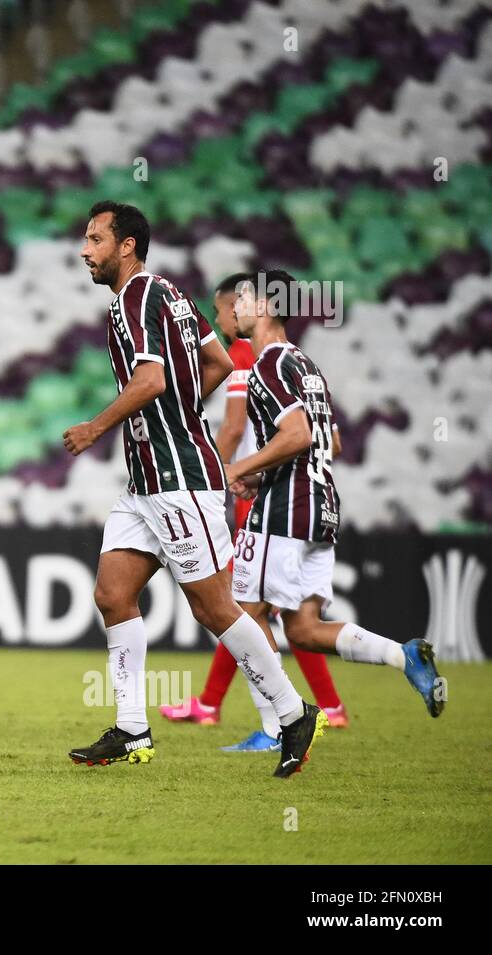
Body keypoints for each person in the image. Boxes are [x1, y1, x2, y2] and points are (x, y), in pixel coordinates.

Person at [63, 201, 324, 778]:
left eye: (95, 239)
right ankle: (132, 730)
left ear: (126, 246)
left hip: (179, 477)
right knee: (112, 594)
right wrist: (181, 408)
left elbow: (151, 378)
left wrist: (95, 426)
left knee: (213, 605)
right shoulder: (170, 294)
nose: (85, 250)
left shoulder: (133, 299)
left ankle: (291, 712)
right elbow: (215, 359)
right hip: (146, 481)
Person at [225, 269, 443, 721]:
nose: (236, 307)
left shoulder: (266, 364)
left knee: (240, 617)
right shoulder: (306, 366)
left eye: (244, 298)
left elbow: (299, 435)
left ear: (266, 306)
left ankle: (280, 724)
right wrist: (261, 475)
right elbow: (332, 442)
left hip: (286, 511)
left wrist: (240, 467)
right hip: (321, 507)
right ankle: (405, 657)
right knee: (303, 629)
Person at [159, 273, 348, 751]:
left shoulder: (248, 359)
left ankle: (288, 715)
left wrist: (216, 474)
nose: (221, 319)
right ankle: (234, 702)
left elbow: (234, 426)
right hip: (276, 488)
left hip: (259, 491)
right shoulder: (289, 359)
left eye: (224, 310)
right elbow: (330, 440)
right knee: (253, 605)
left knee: (242, 605)